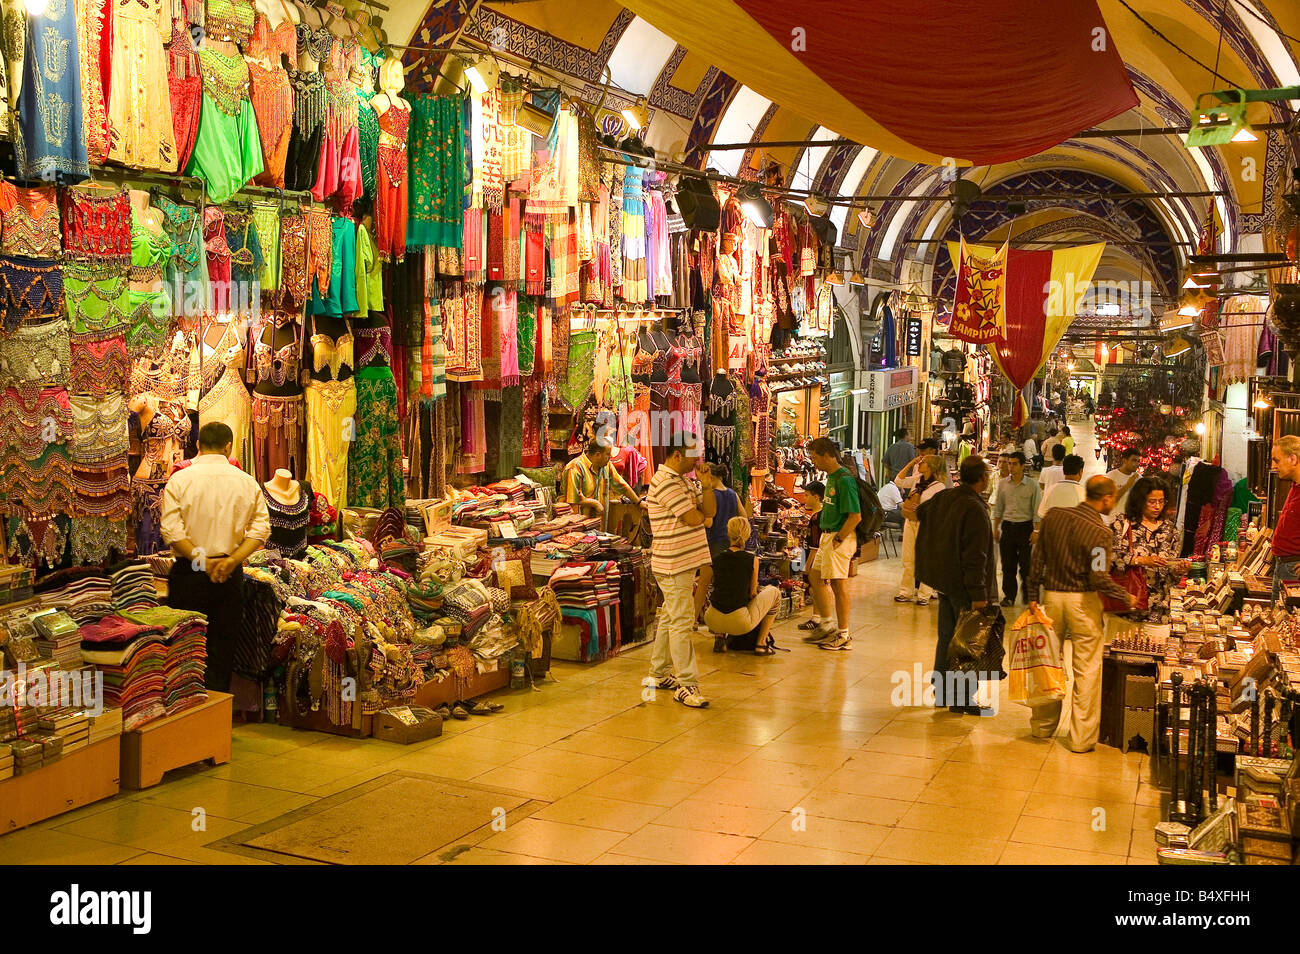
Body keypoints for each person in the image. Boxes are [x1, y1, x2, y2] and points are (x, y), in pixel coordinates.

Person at [160, 422, 271, 692]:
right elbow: (261, 530)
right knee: (222, 647)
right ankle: (216, 714)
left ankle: (184, 708)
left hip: (190, 570)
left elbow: (171, 532)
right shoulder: (246, 482)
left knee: (184, 645)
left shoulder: (180, 480)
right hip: (228, 572)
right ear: (228, 447)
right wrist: (232, 561)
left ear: (197, 445)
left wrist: (203, 561)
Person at [1026, 476, 1134, 752]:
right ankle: (1080, 739)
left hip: (1051, 599)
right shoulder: (1101, 533)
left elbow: (1038, 559)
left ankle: (1042, 726)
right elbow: (1098, 577)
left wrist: (1031, 597)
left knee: (1047, 663)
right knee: (1086, 669)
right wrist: (1126, 596)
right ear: (1107, 498)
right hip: (1083, 603)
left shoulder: (1054, 518)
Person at [915, 455, 998, 713]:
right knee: (967, 643)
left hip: (946, 581)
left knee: (946, 639)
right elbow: (975, 556)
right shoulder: (974, 508)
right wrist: (979, 593)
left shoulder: (945, 497)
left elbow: (918, 511)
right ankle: (962, 699)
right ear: (983, 478)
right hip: (964, 586)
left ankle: (942, 693)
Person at [642, 435, 717, 708]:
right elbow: (694, 518)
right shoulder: (664, 482)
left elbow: (709, 513)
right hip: (673, 563)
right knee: (682, 621)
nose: (697, 461)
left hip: (682, 561)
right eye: (692, 456)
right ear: (675, 455)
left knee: (671, 618)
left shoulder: (685, 480)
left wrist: (706, 487)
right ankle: (686, 683)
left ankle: (659, 673)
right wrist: (699, 512)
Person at [803, 436, 861, 651]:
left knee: (838, 585)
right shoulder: (832, 478)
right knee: (814, 575)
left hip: (839, 537)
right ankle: (826, 624)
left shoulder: (844, 479)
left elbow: (855, 515)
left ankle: (843, 634)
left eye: (815, 457)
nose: (814, 461)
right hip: (829, 537)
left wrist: (838, 539)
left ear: (827, 455)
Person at [1111, 477, 1185, 624]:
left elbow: (1170, 572)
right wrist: (1141, 560)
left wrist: (1178, 569)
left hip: (1159, 609)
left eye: (1161, 501)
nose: (1157, 506)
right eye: (1152, 501)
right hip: (1129, 606)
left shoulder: (1170, 530)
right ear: (1139, 501)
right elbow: (1111, 558)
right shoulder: (1123, 525)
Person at [705, 517, 781, 655]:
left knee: (722, 592)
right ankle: (761, 644)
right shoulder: (752, 560)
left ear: (728, 533)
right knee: (775, 593)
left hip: (712, 619)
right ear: (747, 534)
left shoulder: (716, 558)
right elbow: (752, 593)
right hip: (739, 621)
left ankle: (719, 637)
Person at [894, 454, 948, 605]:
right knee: (908, 558)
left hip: (926, 524)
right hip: (910, 521)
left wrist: (923, 508)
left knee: (925, 559)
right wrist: (911, 463)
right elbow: (898, 480)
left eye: (923, 462)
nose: (920, 463)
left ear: (931, 466)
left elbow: (939, 509)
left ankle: (925, 594)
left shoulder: (939, 487)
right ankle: (906, 591)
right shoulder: (917, 479)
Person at [697, 464, 745, 625]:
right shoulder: (733, 494)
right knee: (723, 584)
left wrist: (694, 516)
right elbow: (743, 516)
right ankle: (723, 624)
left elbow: (709, 522)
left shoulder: (712, 495)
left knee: (703, 583)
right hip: (729, 543)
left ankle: (693, 620)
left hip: (713, 543)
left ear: (710, 477)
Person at [992, 452, 1041, 606]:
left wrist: (1036, 531)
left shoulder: (1032, 485)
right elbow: (998, 508)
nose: (1010, 467)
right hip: (1008, 527)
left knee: (1026, 565)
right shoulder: (1003, 484)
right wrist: (995, 528)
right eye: (1009, 463)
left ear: (1022, 465)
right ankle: (1009, 596)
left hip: (1025, 528)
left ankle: (1029, 596)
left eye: (1014, 464)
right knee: (1008, 565)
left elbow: (1037, 510)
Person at [564, 439, 640, 532]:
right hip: (579, 527)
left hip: (601, 524)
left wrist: (638, 502)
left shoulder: (606, 465)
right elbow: (573, 498)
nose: (611, 457)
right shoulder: (575, 468)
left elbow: (621, 485)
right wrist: (595, 503)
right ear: (598, 455)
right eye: (608, 454)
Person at [1270, 435, 1300, 599]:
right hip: (1283, 564)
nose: (1274, 466)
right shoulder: (1295, 486)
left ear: (1293, 459)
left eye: (1277, 460)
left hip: (1293, 568)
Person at [1105, 447, 1142, 519]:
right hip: (1113, 520)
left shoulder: (1139, 478)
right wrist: (1128, 485)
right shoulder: (1111, 476)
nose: (1137, 464)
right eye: (1134, 460)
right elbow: (1109, 501)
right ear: (1125, 460)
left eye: (1138, 461)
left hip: (1131, 521)